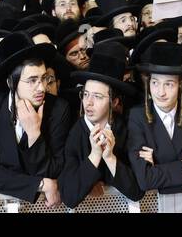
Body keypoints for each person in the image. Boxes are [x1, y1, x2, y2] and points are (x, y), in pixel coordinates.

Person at [0, 33, 74, 205]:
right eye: (32, 80)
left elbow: (56, 169)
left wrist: (34, 135)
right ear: (11, 82)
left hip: (47, 206)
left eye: (44, 78)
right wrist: (39, 184)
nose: (41, 87)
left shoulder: (59, 108)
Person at [58, 49, 143, 207]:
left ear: (115, 102)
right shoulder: (74, 133)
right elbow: (69, 197)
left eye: (97, 96)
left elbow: (137, 191)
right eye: (85, 94)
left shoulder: (128, 129)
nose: (88, 102)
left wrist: (110, 158)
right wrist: (95, 156)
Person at [128, 42, 182, 194]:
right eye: (155, 83)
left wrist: (158, 174)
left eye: (169, 84)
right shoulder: (137, 116)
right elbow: (144, 180)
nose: (160, 92)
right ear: (148, 84)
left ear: (180, 86)